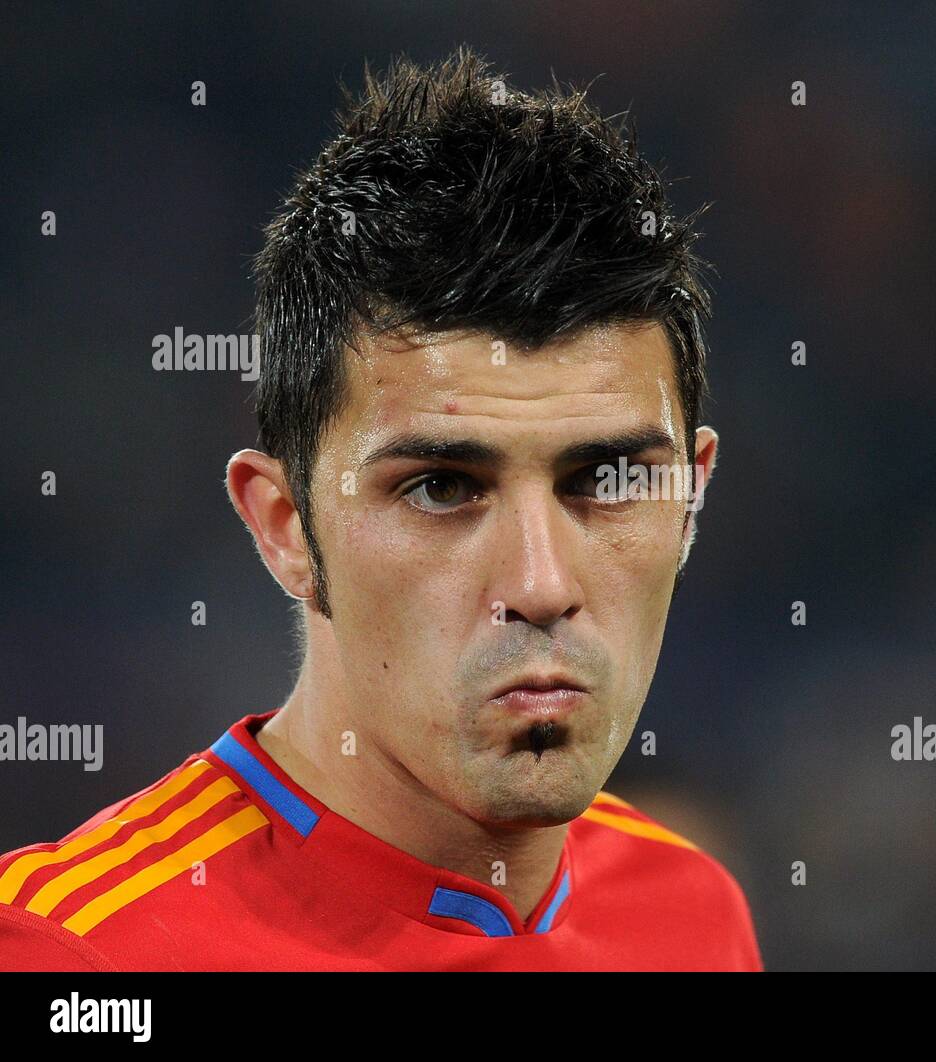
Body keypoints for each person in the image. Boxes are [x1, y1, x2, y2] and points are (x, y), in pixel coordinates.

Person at [0, 46, 761, 971]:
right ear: (284, 527)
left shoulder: (690, 915)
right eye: (441, 487)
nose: (540, 584)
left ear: (692, 500)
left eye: (608, 482)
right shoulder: (72, 957)